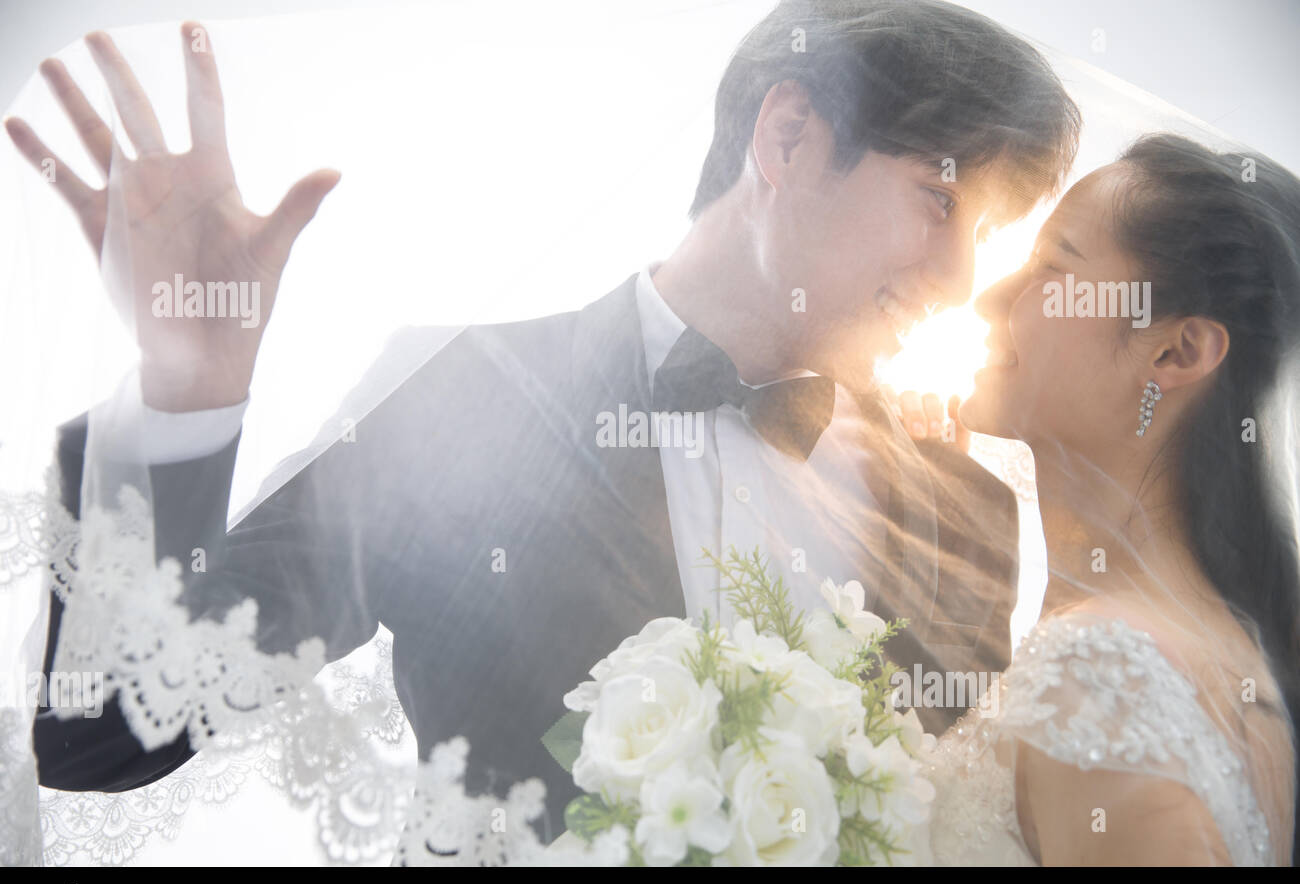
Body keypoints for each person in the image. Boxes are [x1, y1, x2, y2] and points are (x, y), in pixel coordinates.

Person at [7, 0, 1079, 840]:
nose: (959, 276)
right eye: (943, 203)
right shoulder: (462, 392)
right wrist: (183, 389)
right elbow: (102, 732)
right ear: (789, 136)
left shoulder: (967, 508)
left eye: (988, 234)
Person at [925, 134, 1300, 866]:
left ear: (1175, 354)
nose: (990, 295)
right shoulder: (1205, 650)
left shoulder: (1099, 674)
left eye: (1051, 266)